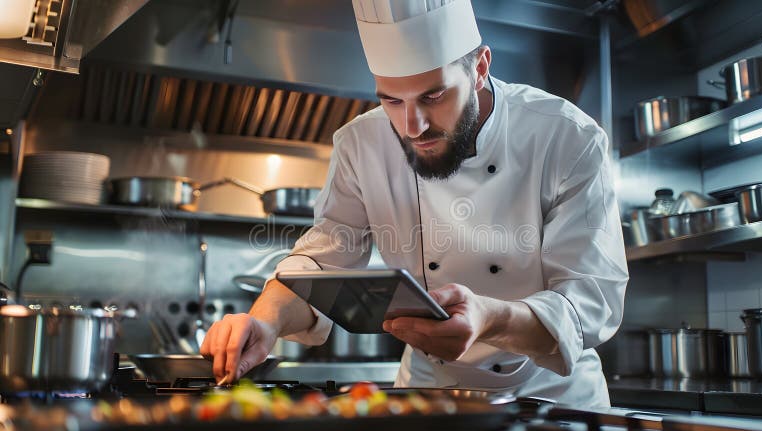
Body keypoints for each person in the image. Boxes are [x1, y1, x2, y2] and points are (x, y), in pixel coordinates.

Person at [201, 0, 629, 408]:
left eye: (433, 96)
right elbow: (320, 263)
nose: (412, 127)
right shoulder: (360, 145)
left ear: (479, 68)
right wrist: (265, 322)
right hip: (428, 397)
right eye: (390, 99)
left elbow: (589, 301)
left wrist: (491, 319)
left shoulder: (566, 136)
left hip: (551, 399)